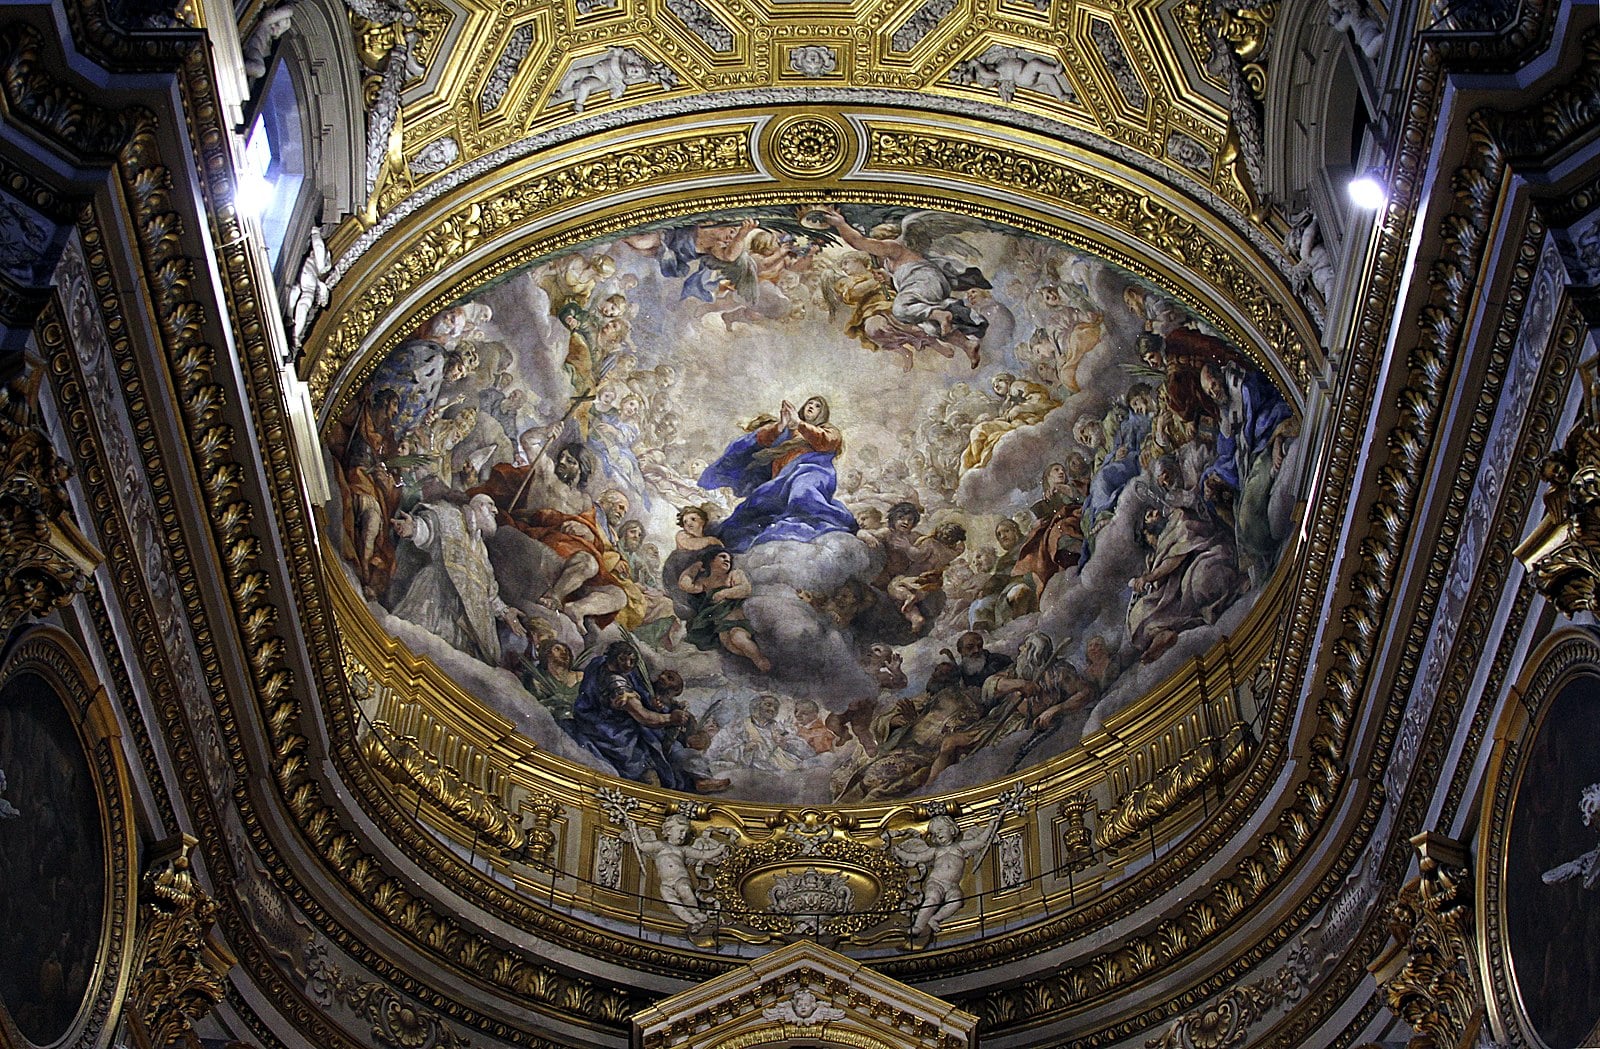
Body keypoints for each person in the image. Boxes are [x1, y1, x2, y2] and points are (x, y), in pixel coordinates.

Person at [698, 395, 857, 552]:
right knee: (752, 512)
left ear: (822, 414)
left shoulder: (827, 430)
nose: (811, 407)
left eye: (817, 406)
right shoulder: (790, 429)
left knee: (803, 493)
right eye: (810, 403)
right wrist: (781, 424)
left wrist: (800, 424)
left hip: (811, 472)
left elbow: (827, 441)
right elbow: (758, 440)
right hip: (779, 483)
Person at [389, 496, 527, 665]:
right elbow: (430, 530)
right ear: (478, 505)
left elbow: (488, 591)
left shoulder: (481, 549)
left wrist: (505, 612)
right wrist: (414, 529)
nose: (495, 511)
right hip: (437, 595)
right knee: (416, 652)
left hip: (463, 619)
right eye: (491, 505)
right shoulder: (451, 516)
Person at [564, 641, 691, 790]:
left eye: (632, 660)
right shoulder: (617, 684)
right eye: (623, 659)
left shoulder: (599, 663)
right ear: (613, 656)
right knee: (645, 760)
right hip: (609, 728)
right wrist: (670, 718)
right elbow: (643, 716)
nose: (628, 664)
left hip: (590, 714)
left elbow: (639, 693)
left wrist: (646, 699)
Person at [676, 547, 773, 672]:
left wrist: (724, 593)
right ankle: (762, 663)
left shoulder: (734, 574)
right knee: (730, 645)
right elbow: (685, 585)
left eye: (729, 559)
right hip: (719, 625)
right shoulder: (705, 582)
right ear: (711, 561)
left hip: (735, 620)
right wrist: (694, 567)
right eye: (722, 556)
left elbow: (745, 589)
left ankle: (761, 661)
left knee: (738, 637)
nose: (727, 560)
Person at [519, 637, 581, 721]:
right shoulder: (538, 681)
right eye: (557, 649)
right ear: (547, 654)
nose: (563, 653)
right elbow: (534, 708)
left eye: (566, 651)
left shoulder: (581, 677)